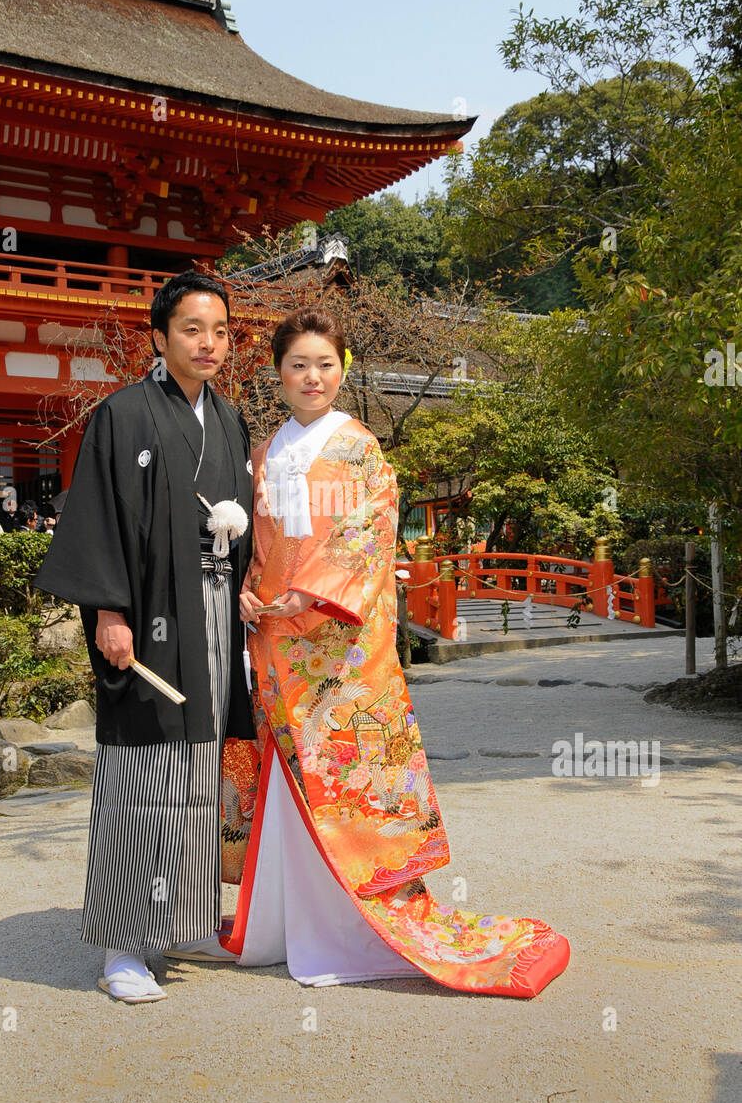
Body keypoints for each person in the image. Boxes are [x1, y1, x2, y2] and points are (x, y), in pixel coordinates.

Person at [226, 309, 570, 997]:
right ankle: (290, 923)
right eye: (298, 365)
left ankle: (356, 931)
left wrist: (309, 596)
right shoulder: (263, 454)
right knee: (291, 778)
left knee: (351, 779)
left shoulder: (358, 448)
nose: (312, 377)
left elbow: (367, 537)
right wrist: (246, 593)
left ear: (343, 370)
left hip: (340, 648)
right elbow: (257, 545)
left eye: (325, 364)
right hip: (275, 640)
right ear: (278, 372)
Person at [34, 270, 255, 1003]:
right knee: (143, 770)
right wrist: (107, 610)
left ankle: (187, 918)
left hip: (215, 608)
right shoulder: (123, 414)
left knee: (199, 763)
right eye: (192, 329)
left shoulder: (228, 420)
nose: (209, 343)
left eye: (220, 330)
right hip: (152, 609)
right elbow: (99, 514)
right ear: (159, 338)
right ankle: (125, 944)